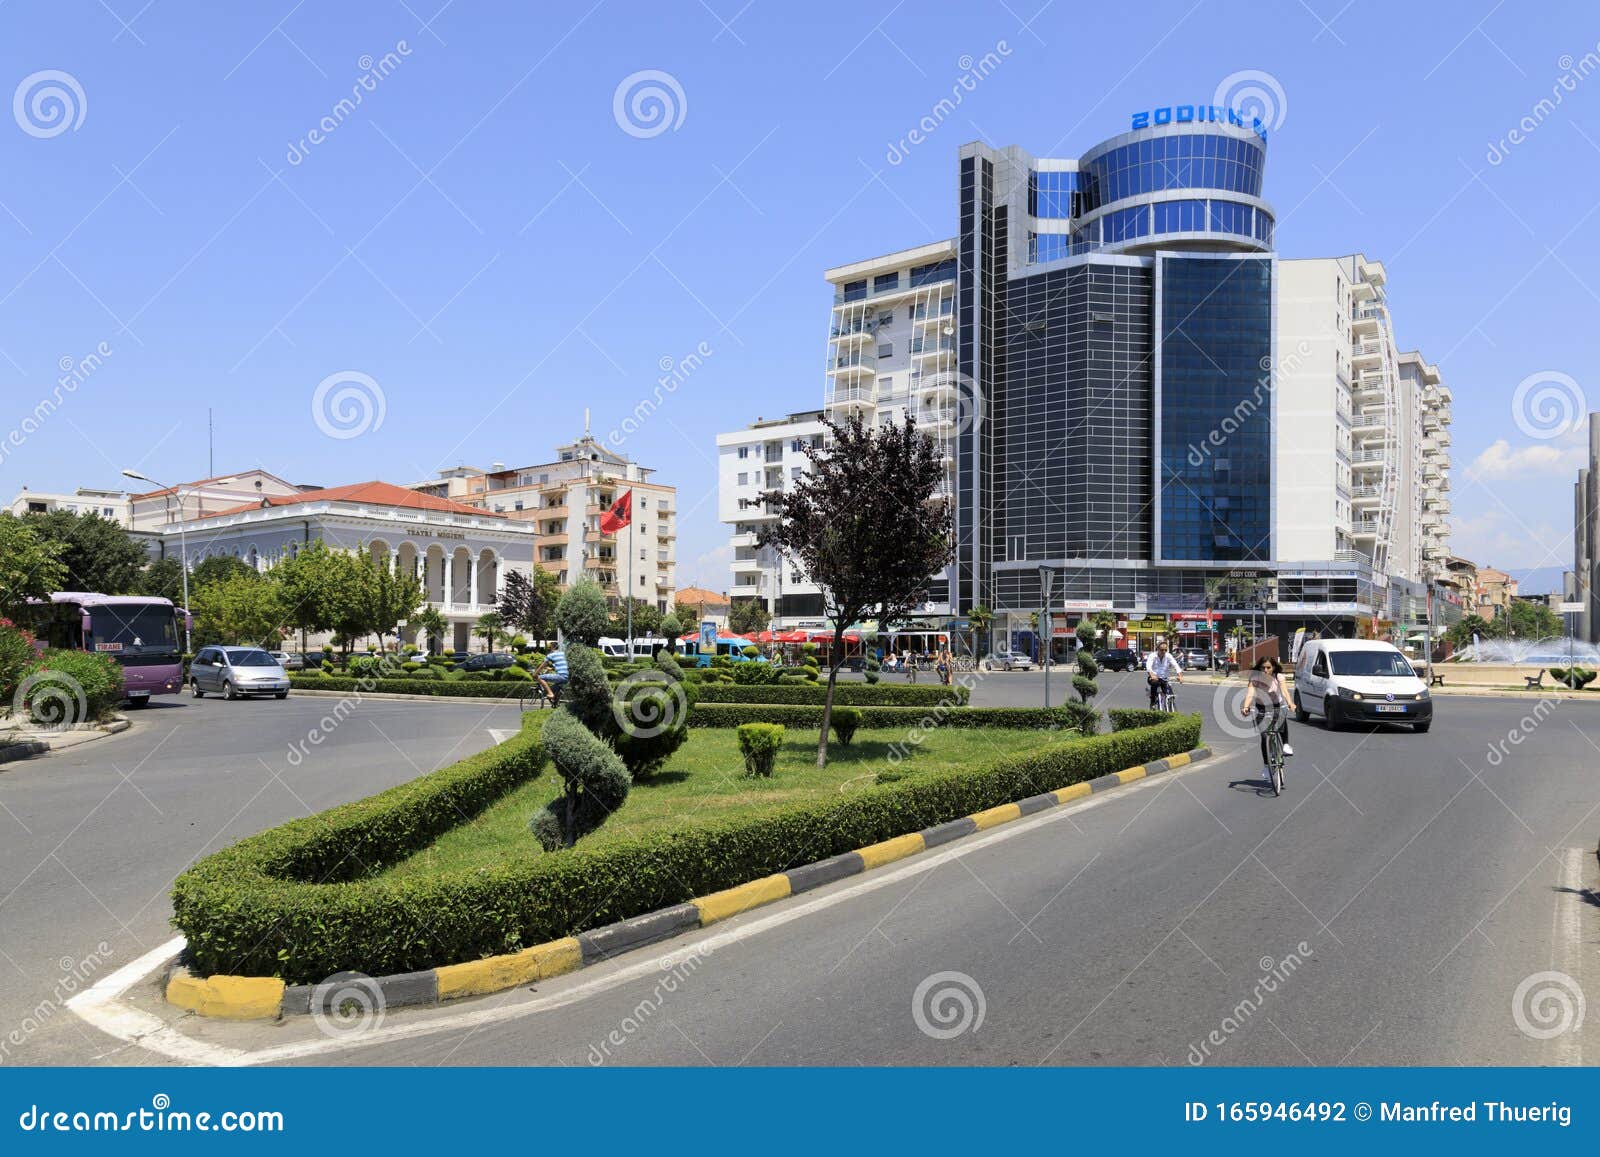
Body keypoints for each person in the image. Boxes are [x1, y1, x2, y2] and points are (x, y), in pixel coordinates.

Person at [1239, 655, 1294, 780]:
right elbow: (1250, 694)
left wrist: (1290, 703)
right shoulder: (1255, 678)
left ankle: (1285, 744)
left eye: (1268, 668)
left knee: (1281, 719)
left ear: (1273, 668)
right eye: (1263, 668)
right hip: (1261, 707)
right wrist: (1246, 707)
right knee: (1264, 736)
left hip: (1276, 705)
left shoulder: (1278, 677)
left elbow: (1285, 692)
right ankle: (1266, 766)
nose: (1265, 671)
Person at [1144, 641, 1183, 708]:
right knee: (1155, 683)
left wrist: (1180, 676)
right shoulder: (1152, 656)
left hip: (1164, 678)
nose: (1164, 651)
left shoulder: (1168, 656)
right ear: (1157, 649)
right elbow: (1148, 666)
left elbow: (1175, 665)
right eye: (1162, 650)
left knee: (1169, 694)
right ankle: (1153, 702)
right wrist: (1152, 675)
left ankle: (1170, 706)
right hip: (1154, 677)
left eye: (1165, 650)